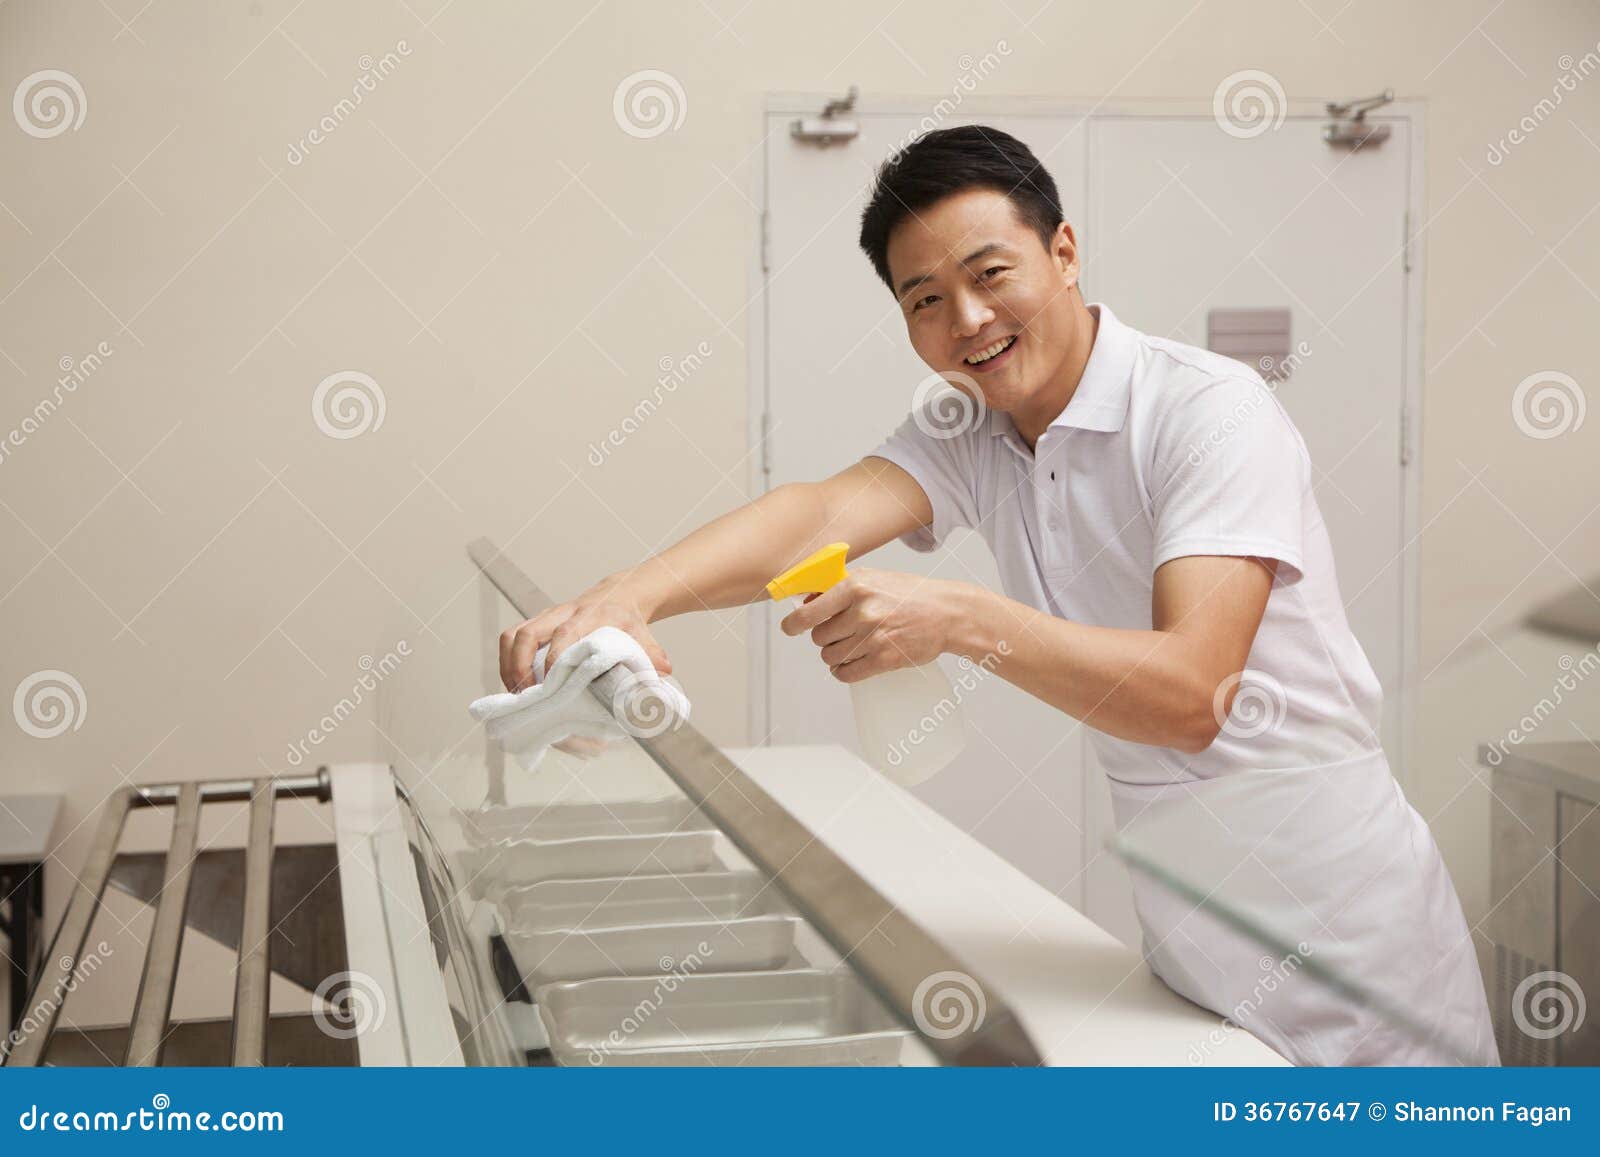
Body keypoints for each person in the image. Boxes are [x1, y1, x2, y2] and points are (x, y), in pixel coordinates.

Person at [498, 125, 1498, 1066]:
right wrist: (628, 597)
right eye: (923, 298)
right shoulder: (971, 425)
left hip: (1351, 937)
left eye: (989, 274)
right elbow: (814, 516)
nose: (965, 321)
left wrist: (961, 619)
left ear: (1062, 250)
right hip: (1190, 928)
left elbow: (1196, 694)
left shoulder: (1205, 411)